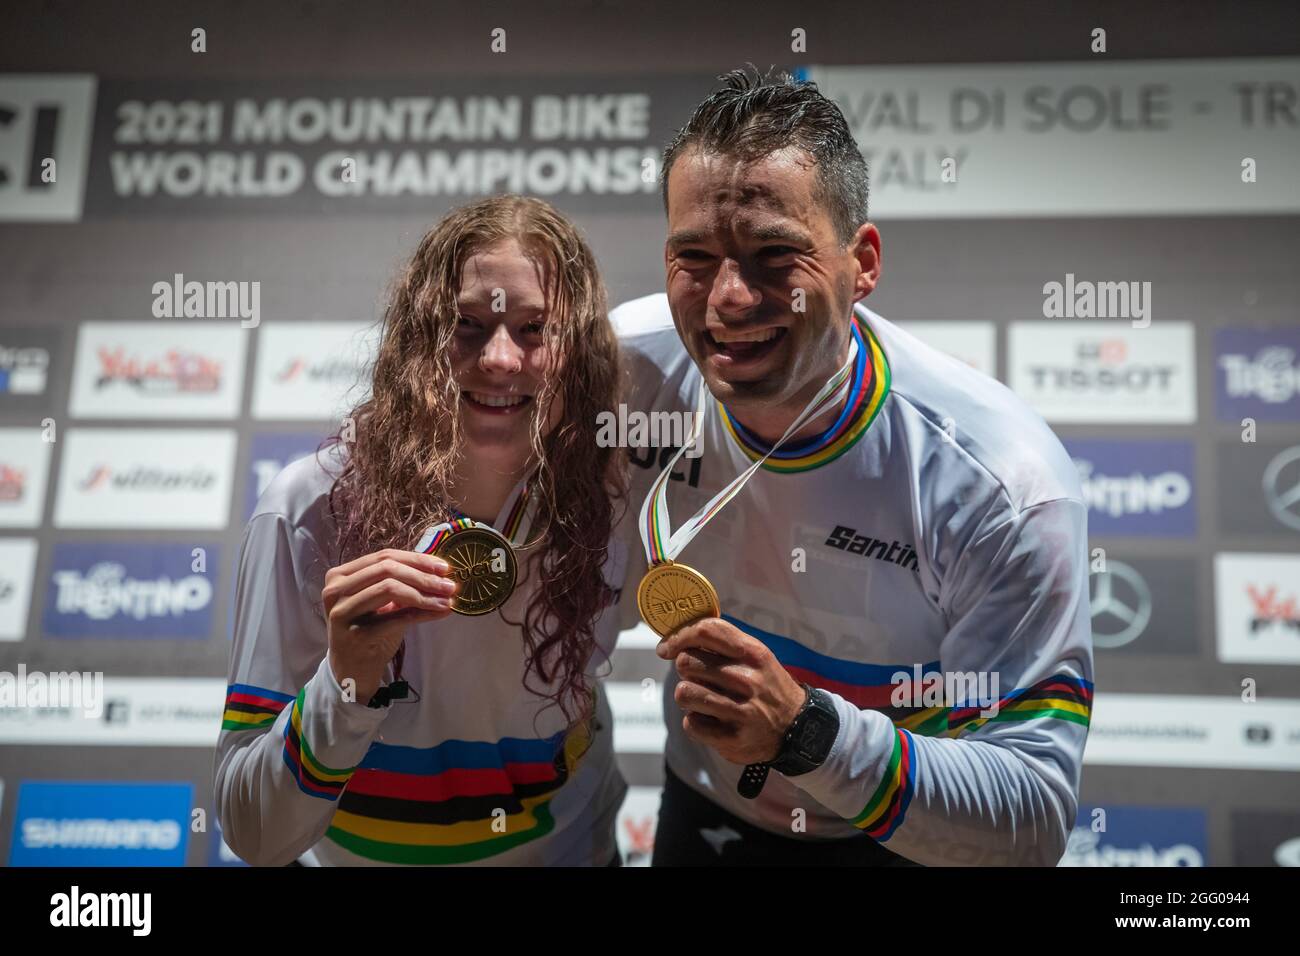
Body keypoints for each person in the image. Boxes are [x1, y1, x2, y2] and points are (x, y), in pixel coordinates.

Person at [613, 68, 1094, 866]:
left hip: (908, 838)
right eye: (694, 255)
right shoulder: (621, 372)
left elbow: (1033, 816)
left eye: (774, 256)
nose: (728, 298)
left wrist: (809, 735)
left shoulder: (999, 481)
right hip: (708, 809)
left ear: (862, 262)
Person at [216, 195, 629, 866]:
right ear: (417, 334)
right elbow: (253, 832)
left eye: (533, 329)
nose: (500, 358)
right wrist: (346, 682)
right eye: (467, 324)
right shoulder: (310, 508)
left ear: (576, 348)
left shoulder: (620, 491)